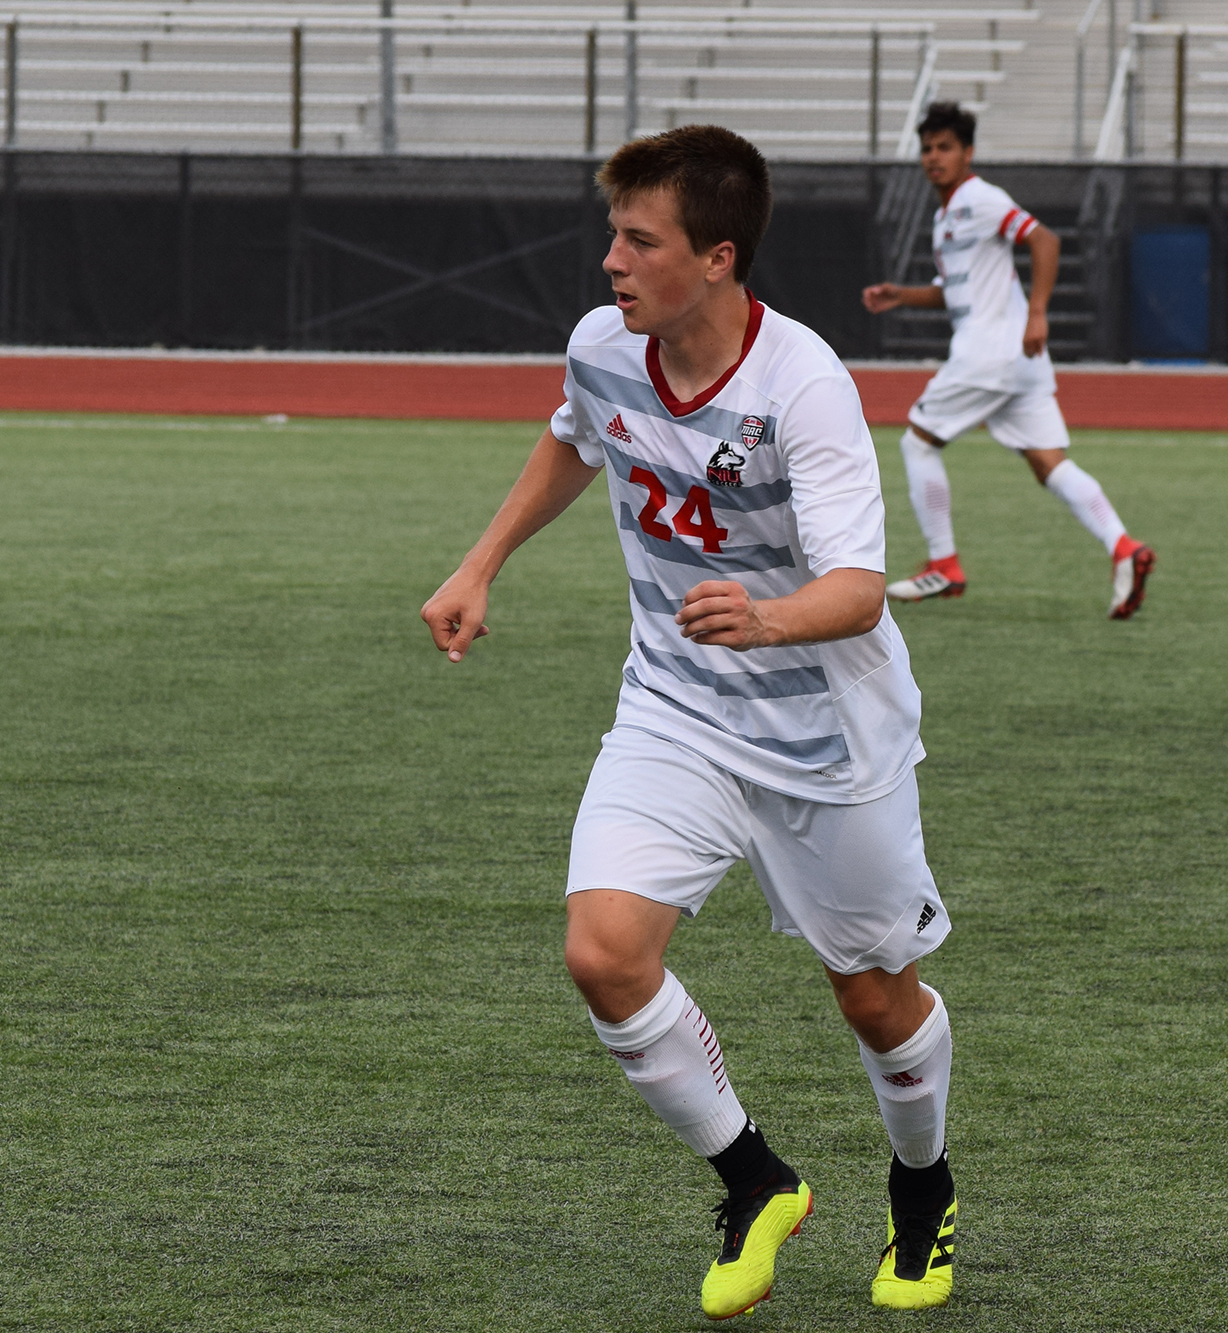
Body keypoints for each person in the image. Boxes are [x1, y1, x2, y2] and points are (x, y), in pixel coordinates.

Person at [421, 125, 959, 1319]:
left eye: (637, 239)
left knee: (875, 998)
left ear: (716, 257)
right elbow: (576, 440)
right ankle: (756, 1178)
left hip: (829, 738)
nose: (611, 260)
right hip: (674, 709)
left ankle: (921, 1186)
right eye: (612, 233)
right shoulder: (603, 348)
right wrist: (481, 563)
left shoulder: (802, 384)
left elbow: (860, 588)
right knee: (603, 953)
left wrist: (767, 621)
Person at [862, 101, 1155, 616]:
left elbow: (1045, 240)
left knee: (917, 443)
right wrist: (901, 295)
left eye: (945, 147)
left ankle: (944, 565)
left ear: (968, 153)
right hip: (1014, 361)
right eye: (927, 148)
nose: (934, 157)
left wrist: (1037, 312)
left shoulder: (980, 198)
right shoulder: (947, 214)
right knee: (1048, 463)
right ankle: (1124, 549)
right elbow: (954, 291)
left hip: (990, 352)